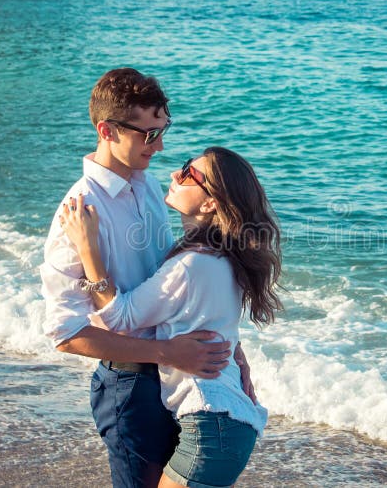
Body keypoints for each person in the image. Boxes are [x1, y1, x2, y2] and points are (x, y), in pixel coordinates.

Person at [40, 68, 256, 488]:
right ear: (107, 131)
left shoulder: (150, 189)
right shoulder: (79, 212)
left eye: (163, 130)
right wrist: (167, 352)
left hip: (178, 382)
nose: (159, 146)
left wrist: (232, 349)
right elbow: (65, 334)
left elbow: (177, 288)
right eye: (149, 134)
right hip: (130, 387)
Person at [59, 146, 283, 488]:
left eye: (190, 174)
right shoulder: (224, 256)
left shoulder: (192, 264)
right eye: (184, 166)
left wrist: (88, 248)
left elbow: (120, 318)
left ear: (210, 204)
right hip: (227, 422)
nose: (175, 174)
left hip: (211, 426)